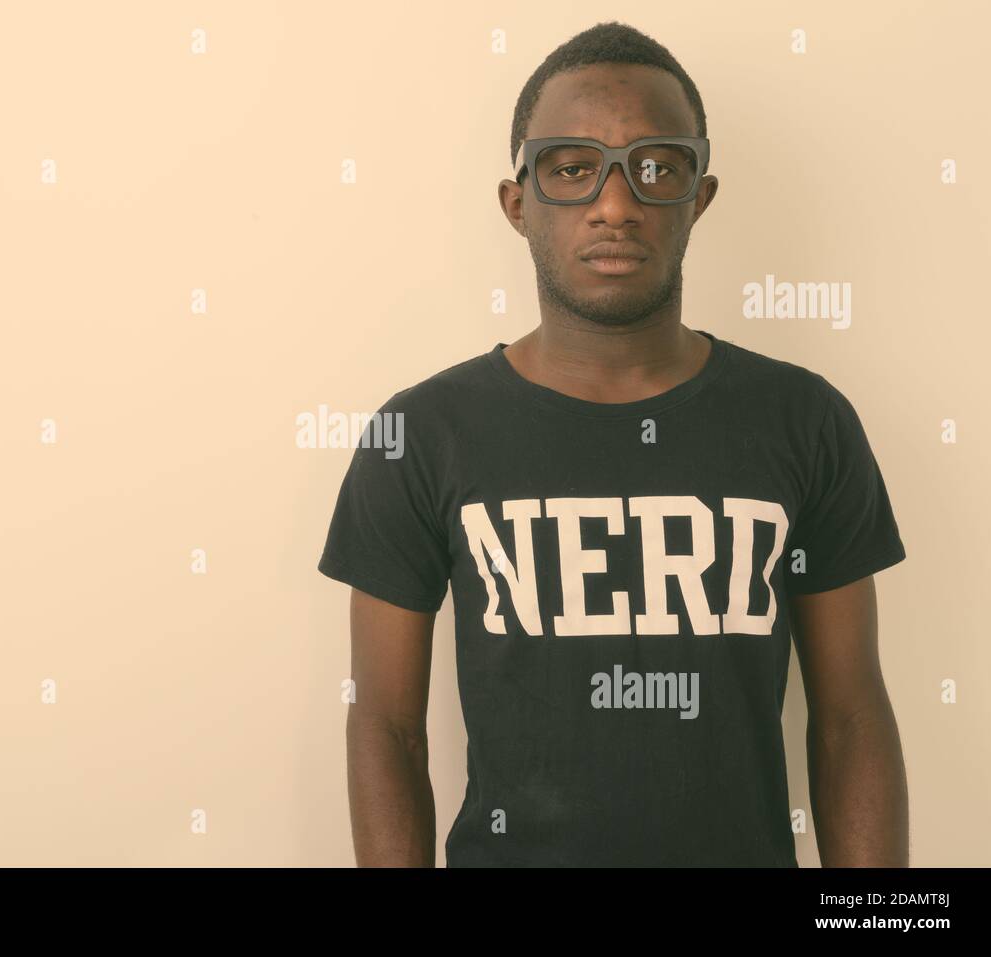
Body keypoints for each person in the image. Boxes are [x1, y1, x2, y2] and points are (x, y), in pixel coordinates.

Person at [316, 21, 909, 867]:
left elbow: (851, 718)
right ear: (518, 203)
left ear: (699, 197)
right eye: (571, 168)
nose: (616, 203)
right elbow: (383, 727)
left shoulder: (804, 420)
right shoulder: (420, 435)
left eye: (657, 167)